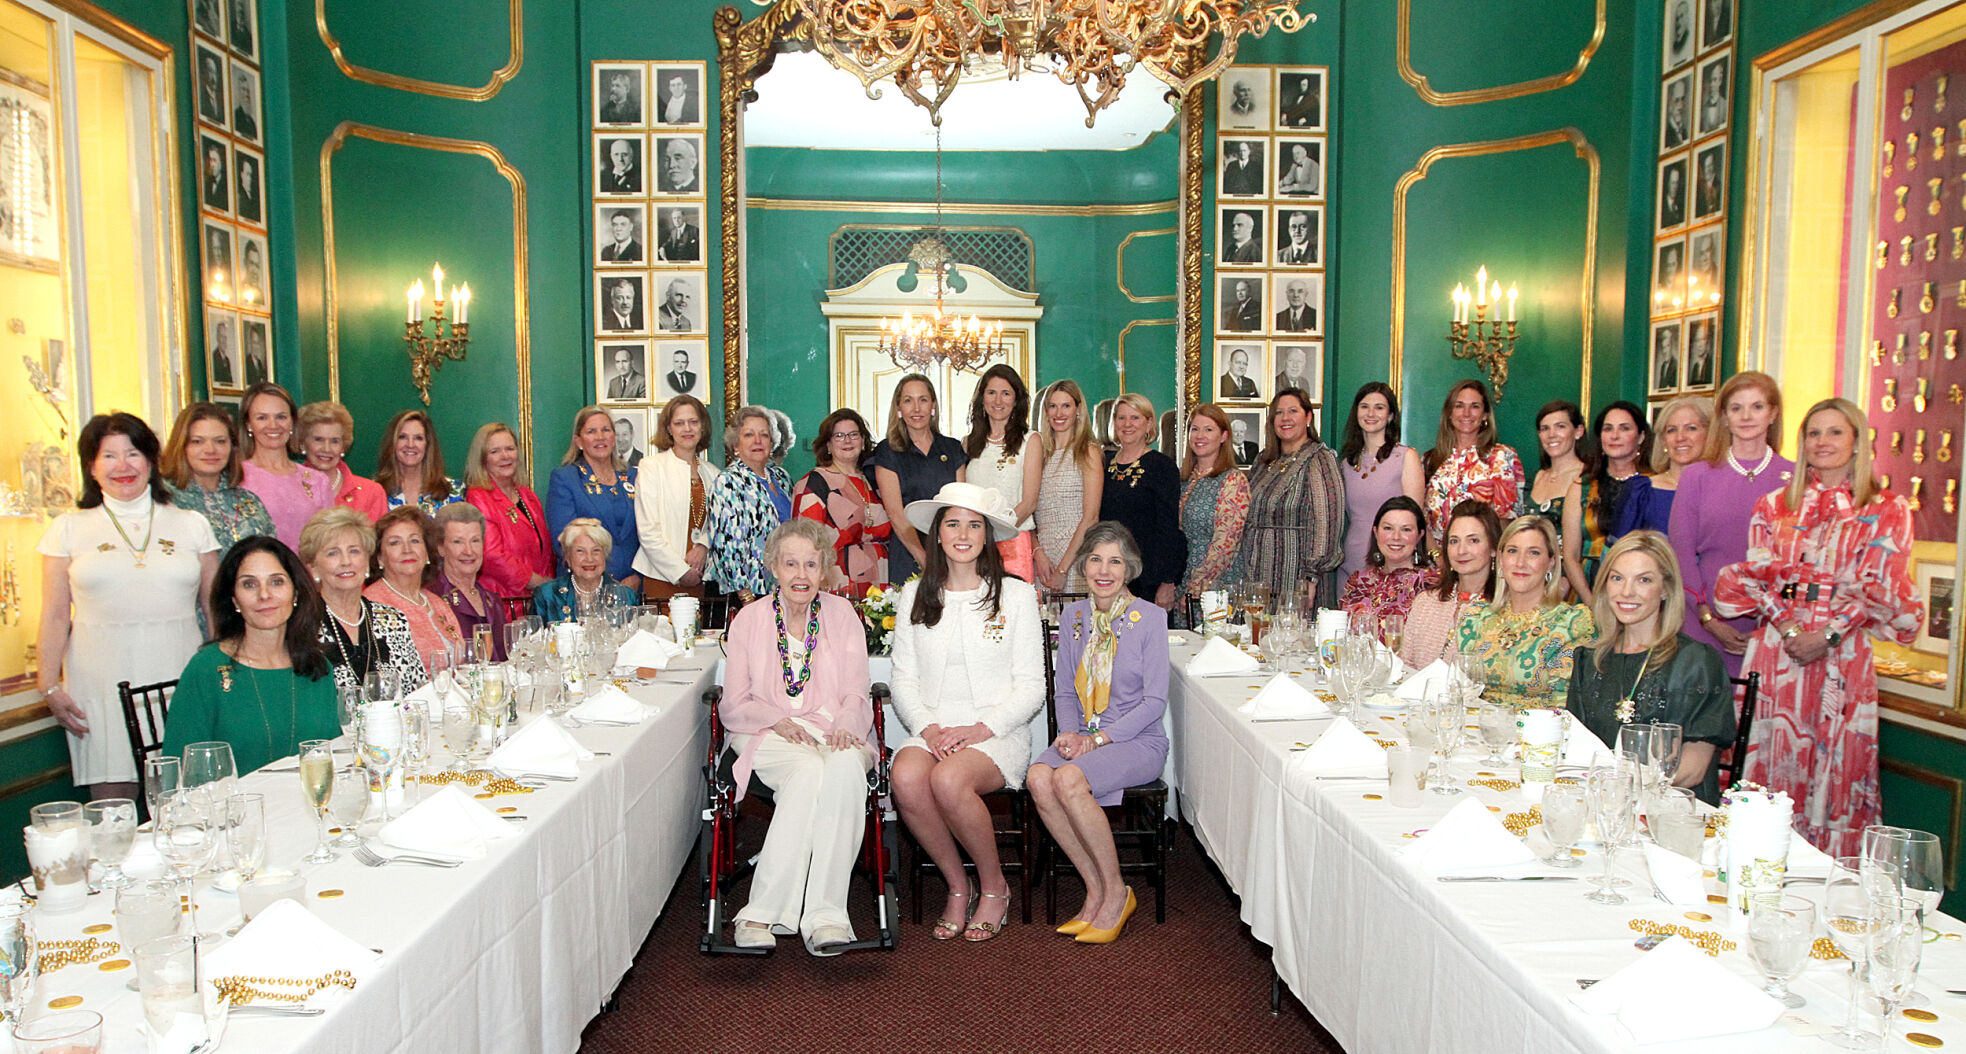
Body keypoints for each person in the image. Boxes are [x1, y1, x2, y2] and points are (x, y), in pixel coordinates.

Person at [1713, 398, 1923, 856]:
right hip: (1776, 650)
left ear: (1856, 442)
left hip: (1842, 654)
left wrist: (1827, 634)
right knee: (1767, 758)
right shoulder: (1773, 505)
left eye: (1835, 433)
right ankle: (1756, 866)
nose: (1822, 443)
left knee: (1838, 768)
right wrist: (1789, 629)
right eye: (1813, 433)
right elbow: (1759, 575)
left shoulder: (1887, 509)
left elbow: (1880, 589)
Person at [888, 483, 1044, 942]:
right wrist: (929, 729)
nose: (963, 533)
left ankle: (995, 887)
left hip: (997, 729)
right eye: (953, 523)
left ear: (987, 536)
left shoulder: (1014, 596)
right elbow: (903, 680)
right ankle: (958, 885)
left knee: (949, 779)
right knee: (906, 775)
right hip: (934, 725)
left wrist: (980, 729)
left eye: (974, 525)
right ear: (937, 534)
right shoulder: (914, 594)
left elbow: (1032, 687)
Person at [38, 414, 220, 800]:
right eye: (108, 456)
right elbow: (54, 615)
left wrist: (223, 673)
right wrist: (48, 685)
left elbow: (214, 607)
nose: (122, 466)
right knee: (112, 808)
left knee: (186, 800)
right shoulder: (67, 529)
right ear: (91, 465)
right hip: (99, 682)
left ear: (151, 461)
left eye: (133, 453)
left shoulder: (191, 524)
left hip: (180, 677)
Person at [721, 519, 875, 955]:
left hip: (835, 726)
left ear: (825, 568)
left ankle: (826, 915)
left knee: (844, 768)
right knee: (807, 772)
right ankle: (760, 912)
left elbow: (855, 690)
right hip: (762, 730)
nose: (801, 575)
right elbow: (734, 703)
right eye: (791, 563)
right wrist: (773, 718)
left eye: (812, 563)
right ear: (774, 567)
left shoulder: (842, 615)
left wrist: (846, 723)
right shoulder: (749, 620)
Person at [1029, 523, 1169, 944]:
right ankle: (1096, 889)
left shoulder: (1151, 618)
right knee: (1038, 777)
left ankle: (1117, 893)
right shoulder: (1074, 617)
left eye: (1114, 561)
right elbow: (1066, 689)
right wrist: (1071, 733)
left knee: (1068, 778)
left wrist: (1098, 740)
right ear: (1083, 566)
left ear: (1129, 569)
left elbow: (1154, 703)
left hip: (1136, 740)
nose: (1103, 570)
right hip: (1086, 735)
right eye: (1095, 559)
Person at [1567, 532, 1734, 804]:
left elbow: (1693, 770)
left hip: (1669, 816)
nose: (1626, 592)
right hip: (1600, 807)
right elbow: (1576, 750)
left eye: (1643, 580)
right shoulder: (1589, 659)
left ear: (1666, 588)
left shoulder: (1697, 662)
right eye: (1617, 578)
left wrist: (1623, 790)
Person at [160, 539, 340, 776]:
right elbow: (178, 773)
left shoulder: (317, 667)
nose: (264, 595)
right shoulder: (207, 669)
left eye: (276, 582)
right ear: (234, 599)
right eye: (249, 585)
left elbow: (336, 757)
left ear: (295, 592)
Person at [1671, 371, 1793, 677]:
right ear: (1724, 417)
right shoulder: (1697, 476)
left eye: (1757, 407)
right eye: (1736, 408)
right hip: (1705, 619)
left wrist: (1780, 622)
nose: (1746, 416)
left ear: (1773, 413)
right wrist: (1708, 618)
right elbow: (1681, 552)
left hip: (1777, 625)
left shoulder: (1795, 478)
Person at [1456, 516, 1594, 710]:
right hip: (1476, 730)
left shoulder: (1571, 623)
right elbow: (1462, 692)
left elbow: (1564, 706)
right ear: (1501, 559)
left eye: (1533, 553)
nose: (1520, 563)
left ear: (1551, 562)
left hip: (1539, 734)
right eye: (1513, 551)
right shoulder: (1475, 618)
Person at [299, 508, 426, 693]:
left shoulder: (393, 620)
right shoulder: (302, 626)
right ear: (314, 568)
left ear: (367, 562)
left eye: (354, 551)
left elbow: (418, 694)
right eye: (332, 553)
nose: (346, 561)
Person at [1237, 388, 1343, 606]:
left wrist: (1310, 576)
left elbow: (1327, 523)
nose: (1285, 418)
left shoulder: (1318, 459)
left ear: (1308, 417)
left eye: (1293, 411)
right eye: (1279, 412)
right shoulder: (1264, 461)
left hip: (1297, 578)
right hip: (1257, 574)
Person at [871, 374, 968, 585]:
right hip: (908, 552)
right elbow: (896, 515)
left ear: (933, 405)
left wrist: (953, 556)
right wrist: (925, 560)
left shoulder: (952, 448)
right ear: (898, 408)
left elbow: (960, 507)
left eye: (923, 400)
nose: (916, 408)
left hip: (951, 550)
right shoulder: (887, 451)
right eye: (908, 400)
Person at [1099, 394, 1187, 608]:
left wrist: (1167, 581)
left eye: (1135, 417)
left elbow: (1168, 528)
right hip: (1106, 574)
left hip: (1148, 578)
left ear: (1149, 423)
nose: (1127, 424)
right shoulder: (1102, 463)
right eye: (1121, 418)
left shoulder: (1162, 467)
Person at [792, 408, 890, 598]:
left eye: (853, 434)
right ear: (828, 445)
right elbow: (805, 544)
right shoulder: (815, 483)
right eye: (839, 436)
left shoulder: (874, 480)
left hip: (880, 582)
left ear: (863, 442)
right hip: (839, 585)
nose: (847, 440)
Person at [633, 396, 721, 601]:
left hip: (701, 575)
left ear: (703, 427)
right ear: (669, 429)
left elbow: (718, 524)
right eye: (679, 423)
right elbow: (647, 531)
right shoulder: (651, 467)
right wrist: (680, 571)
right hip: (662, 577)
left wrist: (704, 546)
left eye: (694, 422)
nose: (687, 429)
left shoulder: (713, 473)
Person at [1562, 401, 1651, 602]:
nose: (1614, 436)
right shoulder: (1581, 487)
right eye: (1608, 429)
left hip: (1640, 591)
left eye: (1624, 428)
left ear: (1641, 436)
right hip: (1588, 591)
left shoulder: (1654, 486)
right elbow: (1570, 556)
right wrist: (1592, 602)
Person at [1337, 383, 1426, 583]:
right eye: (1364, 406)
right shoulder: (1347, 464)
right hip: (1350, 563)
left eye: (1379, 407)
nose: (1371, 413)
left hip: (1392, 561)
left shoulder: (1406, 457)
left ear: (1391, 415)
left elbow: (1415, 517)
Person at [462, 422, 553, 615]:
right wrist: (537, 582)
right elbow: (491, 555)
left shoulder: (527, 495)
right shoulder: (478, 496)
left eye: (510, 449)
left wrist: (547, 588)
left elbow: (545, 550)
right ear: (482, 458)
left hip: (535, 603)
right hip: (502, 605)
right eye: (495, 451)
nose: (505, 456)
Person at [1422, 379, 1524, 549]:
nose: (1466, 413)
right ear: (1449, 413)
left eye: (1475, 406)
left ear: (1485, 415)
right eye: (1459, 405)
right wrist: (1438, 558)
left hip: (1482, 559)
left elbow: (1507, 522)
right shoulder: (1430, 460)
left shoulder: (1501, 457)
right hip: (1437, 561)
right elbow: (1420, 519)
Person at [545, 407, 641, 587]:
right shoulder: (565, 479)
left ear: (614, 438)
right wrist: (601, 580)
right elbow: (565, 542)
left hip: (634, 586)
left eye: (606, 430)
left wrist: (638, 577)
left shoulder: (634, 477)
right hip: (585, 586)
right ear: (578, 441)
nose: (600, 437)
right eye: (591, 431)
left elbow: (649, 531)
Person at [160, 402, 276, 551]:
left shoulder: (249, 500)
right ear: (182, 446)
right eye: (197, 442)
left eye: (220, 441)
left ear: (232, 447)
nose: (210, 450)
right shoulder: (164, 498)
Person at [707, 406, 794, 600]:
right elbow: (726, 547)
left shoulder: (782, 478)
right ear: (736, 445)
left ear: (772, 441)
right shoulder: (728, 482)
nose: (757, 441)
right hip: (751, 592)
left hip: (786, 585)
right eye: (748, 435)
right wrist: (746, 597)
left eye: (764, 435)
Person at [961, 364, 1039, 581]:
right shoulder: (968, 443)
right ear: (982, 398)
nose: (998, 401)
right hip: (974, 545)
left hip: (1013, 543)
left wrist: (997, 532)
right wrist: (978, 537)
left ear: (1016, 400)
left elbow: (1029, 501)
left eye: (1005, 393)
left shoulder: (1030, 440)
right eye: (991, 393)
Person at [364, 507, 463, 677]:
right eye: (395, 542)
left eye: (415, 541)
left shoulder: (437, 603)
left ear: (427, 554)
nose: (407, 549)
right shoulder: (372, 605)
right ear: (380, 558)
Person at [1401, 501, 1501, 668]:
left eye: (1473, 540)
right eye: (1454, 541)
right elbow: (1405, 666)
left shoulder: (1502, 608)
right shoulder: (1425, 602)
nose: (1461, 550)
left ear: (1493, 548)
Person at [237, 382, 334, 549]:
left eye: (281, 417)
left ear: (292, 422)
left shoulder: (317, 481)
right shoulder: (236, 477)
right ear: (248, 424)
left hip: (306, 573)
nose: (273, 425)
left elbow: (329, 542)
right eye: (262, 417)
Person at [1032, 380, 1103, 595]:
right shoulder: (1039, 454)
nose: (1059, 413)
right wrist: (1038, 553)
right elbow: (1028, 515)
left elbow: (1091, 518)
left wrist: (1063, 569)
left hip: (1076, 559)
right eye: (1053, 406)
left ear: (1078, 410)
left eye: (1066, 406)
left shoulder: (1088, 452)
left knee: (1076, 625)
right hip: (1043, 562)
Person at [1177, 405, 1251, 597]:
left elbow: (1226, 541)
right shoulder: (1184, 480)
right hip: (1182, 579)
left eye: (1208, 429)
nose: (1200, 435)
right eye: (1195, 429)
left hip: (1214, 585)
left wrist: (1199, 584)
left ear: (1224, 436)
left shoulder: (1233, 480)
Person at [1617, 396, 1710, 537]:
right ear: (1663, 441)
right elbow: (1619, 553)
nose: (1680, 437)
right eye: (1671, 430)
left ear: (1710, 435)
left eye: (1691, 428)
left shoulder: (1725, 491)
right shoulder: (1641, 491)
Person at [1339, 497, 1438, 624]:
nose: (1396, 537)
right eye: (1388, 528)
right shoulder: (1359, 582)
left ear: (1419, 535)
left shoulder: (1431, 583)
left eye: (1406, 529)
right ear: (1376, 532)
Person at [433, 503, 507, 662]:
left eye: (475, 541)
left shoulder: (492, 600)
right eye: (458, 542)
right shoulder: (432, 600)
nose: (468, 551)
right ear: (441, 548)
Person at [534, 518, 639, 623]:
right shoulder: (547, 595)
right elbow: (535, 637)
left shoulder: (626, 596)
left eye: (596, 551)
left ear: (605, 555)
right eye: (580, 551)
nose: (589, 558)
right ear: (568, 557)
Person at [297, 402, 386, 522]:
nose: (326, 449)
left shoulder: (371, 493)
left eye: (334, 441)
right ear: (303, 444)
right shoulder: (289, 488)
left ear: (343, 447)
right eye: (318, 440)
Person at [1527, 400, 1590, 551]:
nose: (1551, 434)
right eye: (1545, 429)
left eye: (1560, 426)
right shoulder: (1537, 477)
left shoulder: (1588, 478)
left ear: (1578, 431)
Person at [375, 409, 461, 513]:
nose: (410, 444)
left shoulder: (454, 491)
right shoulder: (374, 491)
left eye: (418, 438)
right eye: (402, 437)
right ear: (392, 443)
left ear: (428, 444)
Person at [231, 74, 258, 141]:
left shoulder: (252, 122)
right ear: (238, 92)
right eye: (244, 90)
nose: (247, 94)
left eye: (248, 91)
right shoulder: (235, 115)